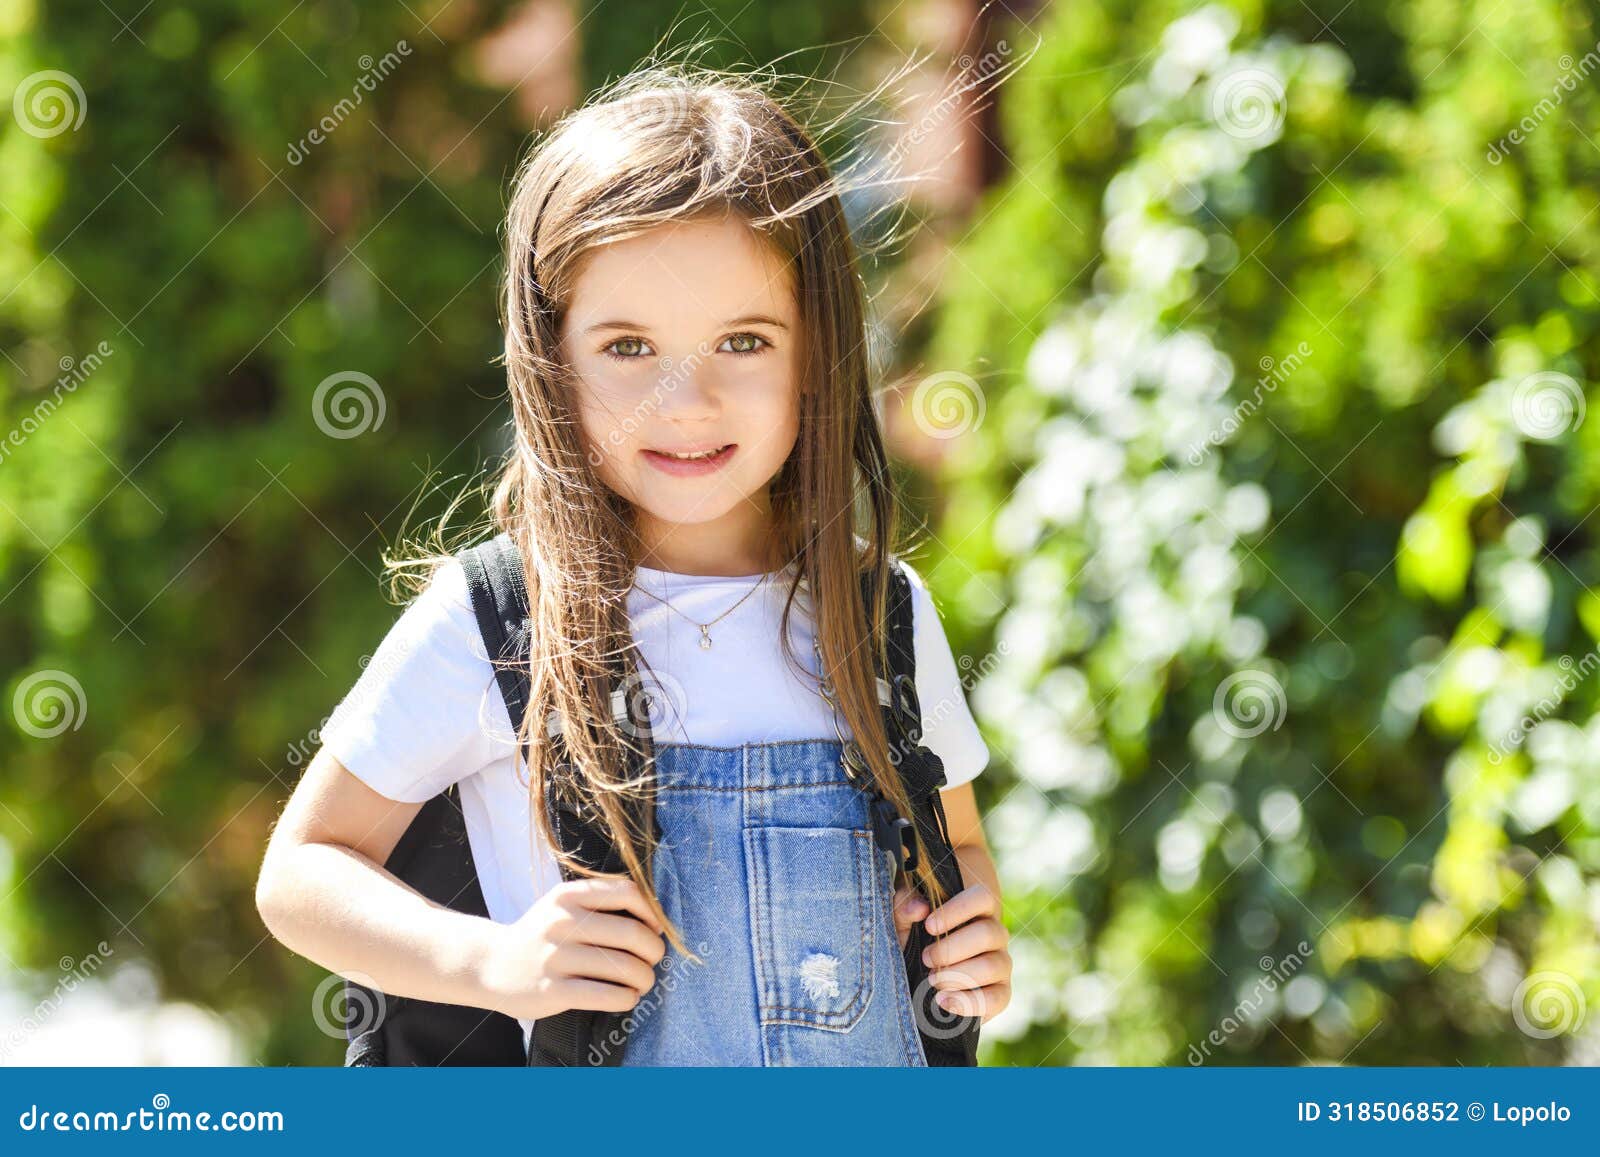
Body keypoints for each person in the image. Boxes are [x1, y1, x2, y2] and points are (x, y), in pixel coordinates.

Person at [255, 63, 1012, 1066]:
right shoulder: (501, 621)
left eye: (742, 341)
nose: (684, 402)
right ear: (550, 357)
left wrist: (973, 946)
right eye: (626, 347)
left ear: (817, 350)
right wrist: (492, 960)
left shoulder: (885, 614)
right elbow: (302, 872)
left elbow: (954, 852)